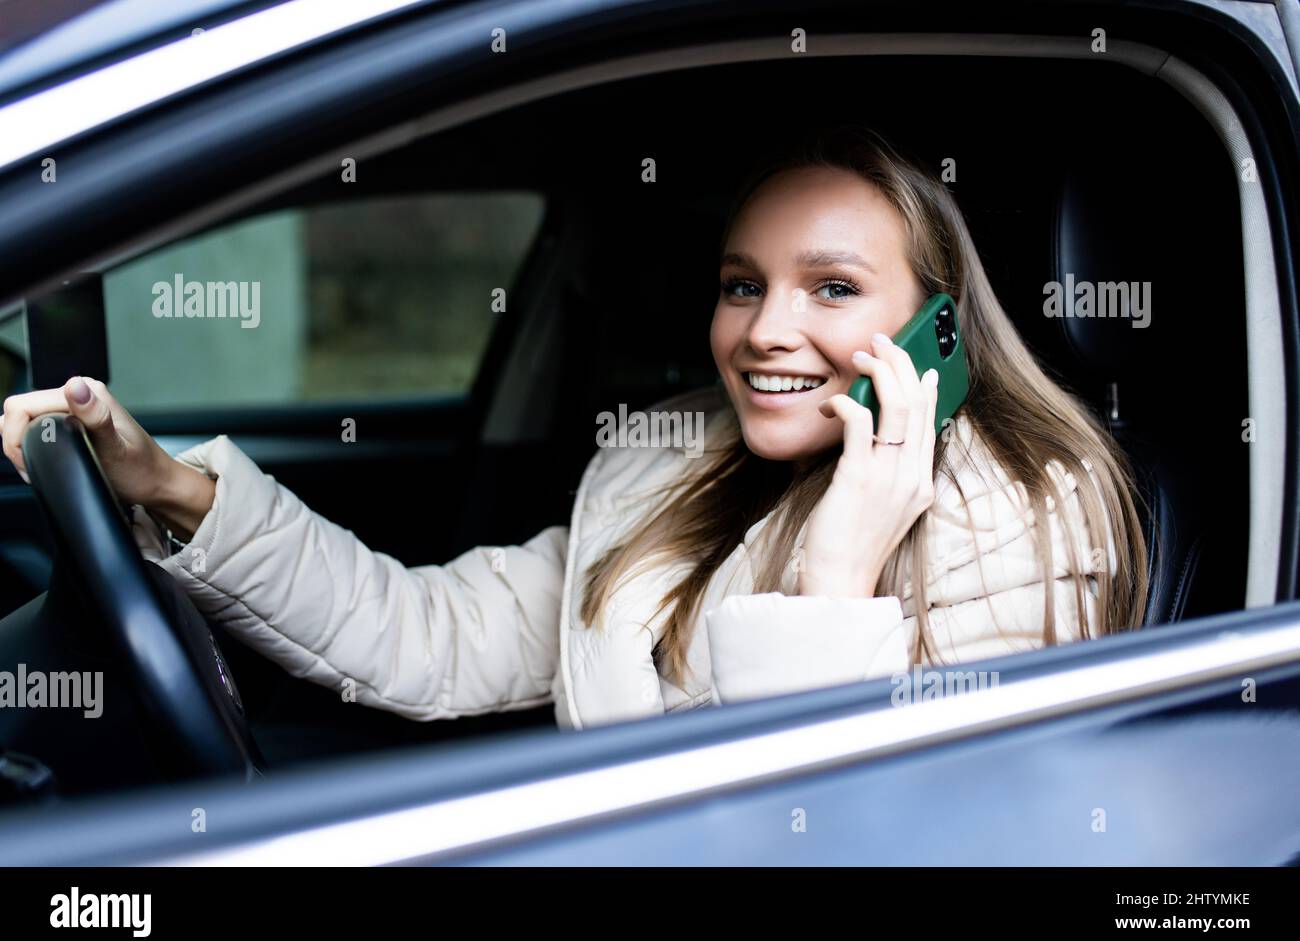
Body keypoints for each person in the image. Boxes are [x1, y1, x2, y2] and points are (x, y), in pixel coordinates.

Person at [0, 127, 1149, 730]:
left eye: (832, 288)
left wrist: (840, 573)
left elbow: (854, 835)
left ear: (938, 326)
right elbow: (430, 638)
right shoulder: (664, 463)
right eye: (741, 284)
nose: (763, 332)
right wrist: (172, 490)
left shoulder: (1019, 517)